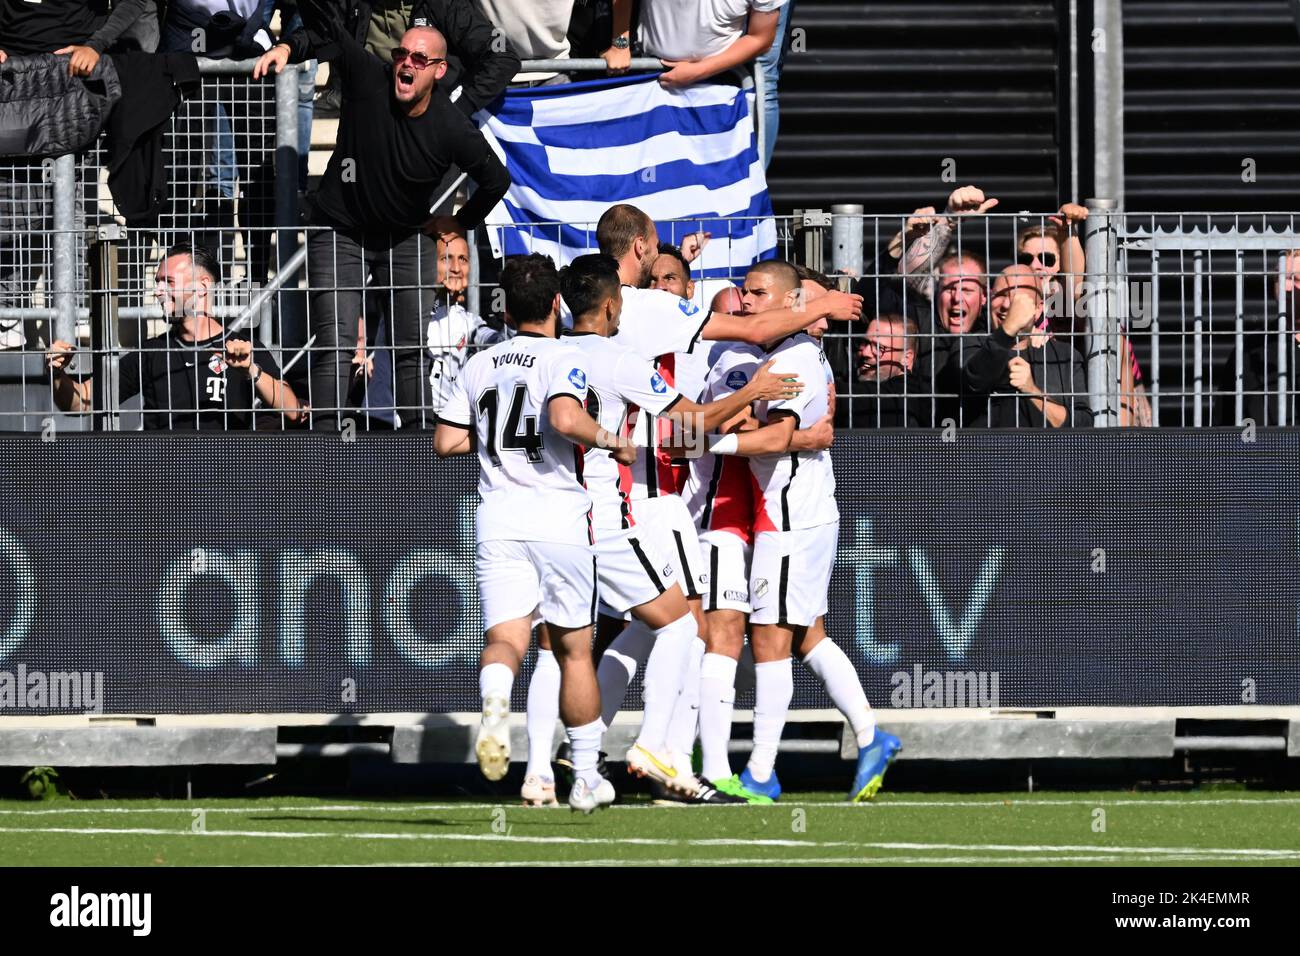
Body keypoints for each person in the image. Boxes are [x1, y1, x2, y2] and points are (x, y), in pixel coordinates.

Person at [555, 253, 801, 803]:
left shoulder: (561, 355)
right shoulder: (630, 358)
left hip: (585, 512)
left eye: (674, 283)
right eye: (656, 279)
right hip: (641, 505)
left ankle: (584, 757)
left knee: (609, 635)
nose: (664, 292)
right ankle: (663, 755)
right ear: (620, 298)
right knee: (685, 628)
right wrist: (748, 399)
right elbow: (684, 428)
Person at [433, 253, 637, 814]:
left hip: (498, 516)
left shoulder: (479, 363)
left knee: (507, 640)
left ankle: (495, 703)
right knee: (574, 650)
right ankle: (587, 778)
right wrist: (611, 440)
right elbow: (567, 420)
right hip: (558, 518)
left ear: (504, 304)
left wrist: (498, 444)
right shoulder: (564, 354)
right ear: (556, 303)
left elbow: (445, 442)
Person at [697, 259, 900, 801]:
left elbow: (775, 438)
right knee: (808, 634)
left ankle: (761, 771)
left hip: (789, 518)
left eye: (758, 293)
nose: (747, 302)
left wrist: (711, 441)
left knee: (769, 640)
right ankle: (870, 734)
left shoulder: (796, 359)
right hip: (796, 512)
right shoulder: (779, 354)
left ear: (790, 303)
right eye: (744, 292)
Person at [277, 2, 510, 429]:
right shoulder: (369, 78)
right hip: (340, 228)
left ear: (439, 70)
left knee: (409, 349)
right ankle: (323, 451)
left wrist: (460, 222)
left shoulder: (451, 126)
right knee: (336, 343)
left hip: (405, 233)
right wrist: (289, 48)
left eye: (419, 59)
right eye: (402, 55)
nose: (406, 64)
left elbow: (497, 180)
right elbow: (327, 26)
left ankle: (417, 451)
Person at [45, 243, 302, 429]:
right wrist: (57, 373)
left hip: (225, 483)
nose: (157, 292)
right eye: (157, 282)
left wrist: (250, 371)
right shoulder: (151, 352)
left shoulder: (242, 348)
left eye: (167, 282)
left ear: (202, 287)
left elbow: (293, 411)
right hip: (163, 485)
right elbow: (80, 404)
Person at [962, 265, 1092, 428]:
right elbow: (974, 380)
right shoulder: (970, 343)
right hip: (985, 452)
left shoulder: (1064, 356)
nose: (1007, 305)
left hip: (1046, 453)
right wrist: (1009, 328)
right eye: (999, 295)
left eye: (1018, 299)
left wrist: (1032, 391)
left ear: (1038, 309)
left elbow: (1083, 424)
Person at [1213, 249, 1300, 427]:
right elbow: (1224, 423)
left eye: (1295, 279)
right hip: (1265, 454)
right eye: (1278, 277)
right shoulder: (1250, 350)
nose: (1284, 287)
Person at [638, 0, 786, 90]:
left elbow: (761, 39)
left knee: (765, 88)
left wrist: (699, 70)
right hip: (647, 78)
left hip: (721, 83)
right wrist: (620, 45)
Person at [838, 315, 926, 428]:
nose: (865, 352)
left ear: (907, 358)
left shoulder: (912, 395)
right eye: (864, 343)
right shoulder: (853, 379)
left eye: (879, 348)